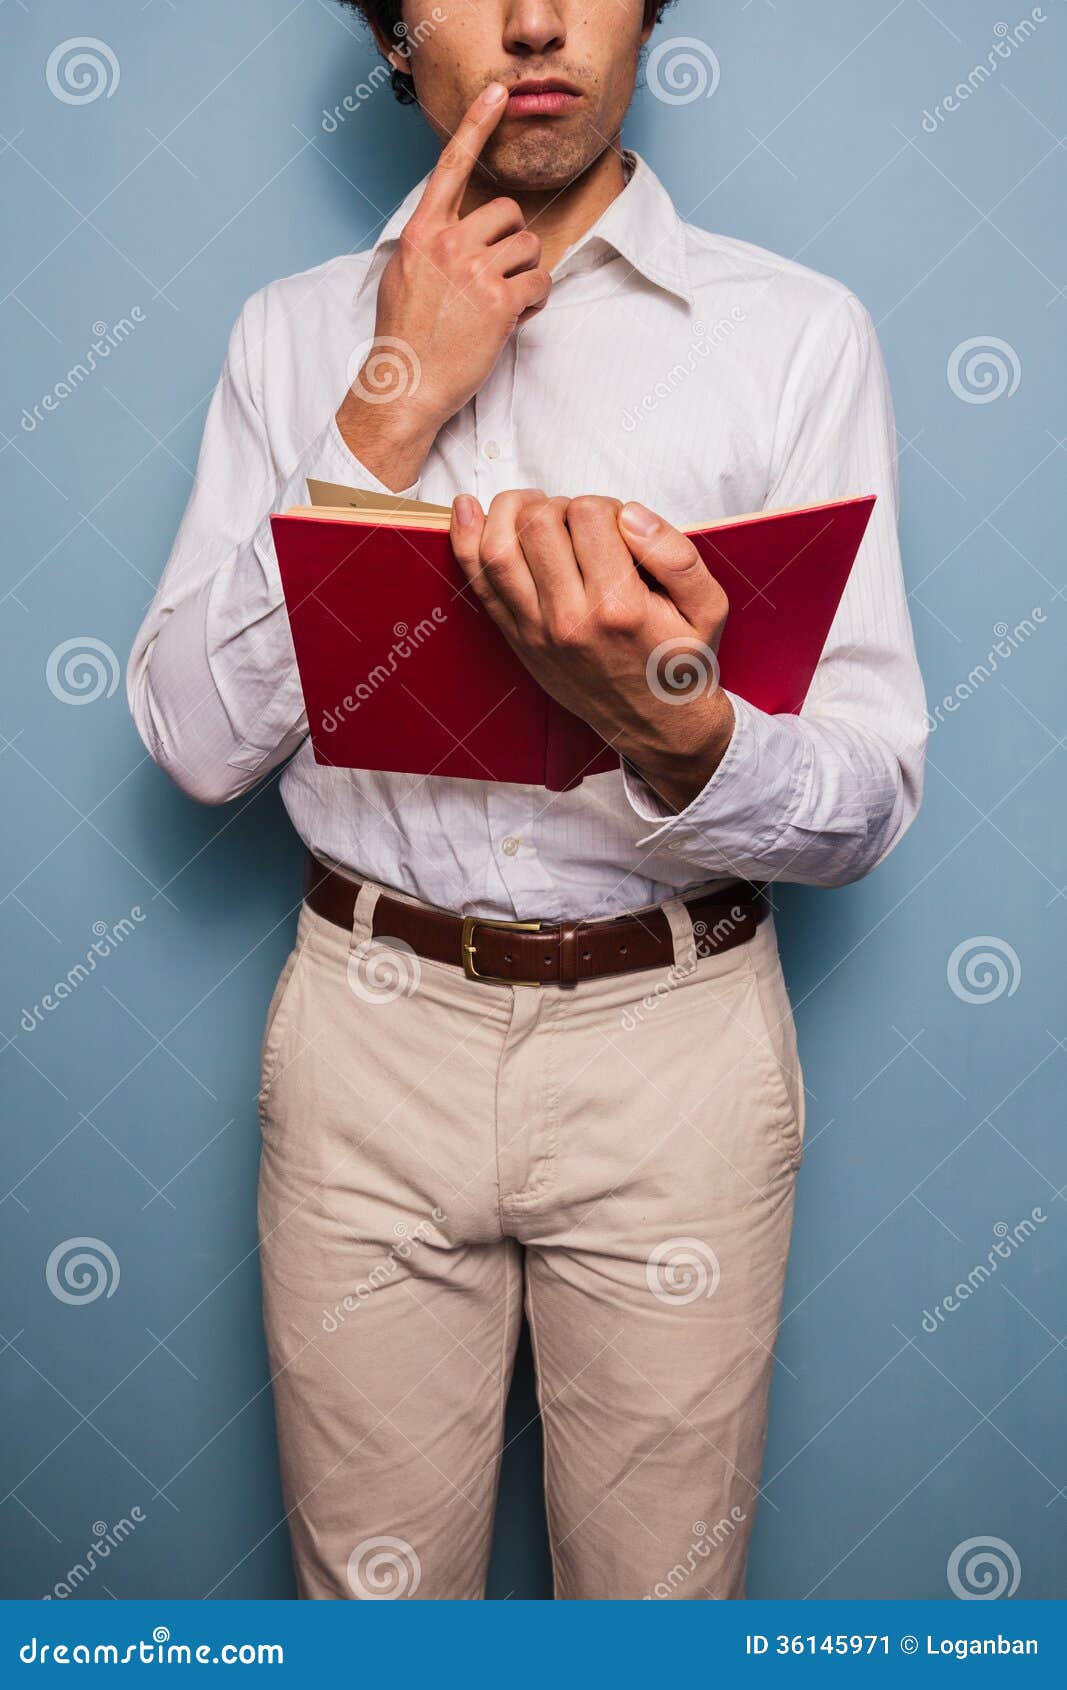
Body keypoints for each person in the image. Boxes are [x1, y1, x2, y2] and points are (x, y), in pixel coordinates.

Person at [127, 0, 926, 1600]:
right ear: (398, 35)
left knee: (656, 1617)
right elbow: (195, 740)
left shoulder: (794, 332)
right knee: (373, 1618)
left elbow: (869, 794)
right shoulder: (292, 335)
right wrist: (386, 407)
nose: (541, 21)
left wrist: (678, 727)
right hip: (368, 1036)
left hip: (675, 1054)